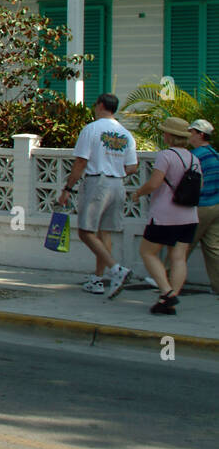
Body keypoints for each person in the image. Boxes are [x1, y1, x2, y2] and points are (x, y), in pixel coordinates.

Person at [58, 93, 139, 297]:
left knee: (86, 232)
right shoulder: (125, 134)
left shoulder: (92, 129)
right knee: (105, 232)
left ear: (101, 105)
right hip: (117, 183)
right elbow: (132, 167)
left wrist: (68, 188)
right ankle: (98, 279)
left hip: (98, 181)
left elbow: (81, 162)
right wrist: (115, 170)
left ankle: (116, 270)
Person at [130, 117, 201, 314]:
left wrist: (137, 193)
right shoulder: (194, 158)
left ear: (169, 136)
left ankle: (167, 292)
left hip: (165, 215)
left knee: (147, 252)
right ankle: (167, 299)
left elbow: (154, 183)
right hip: (188, 216)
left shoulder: (165, 156)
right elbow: (199, 186)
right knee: (178, 257)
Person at [186, 118, 219, 294]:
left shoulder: (196, 156)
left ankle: (166, 278)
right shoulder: (214, 154)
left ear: (200, 134)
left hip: (202, 206)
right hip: (216, 205)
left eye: (191, 132)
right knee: (213, 247)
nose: (189, 135)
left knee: (183, 245)